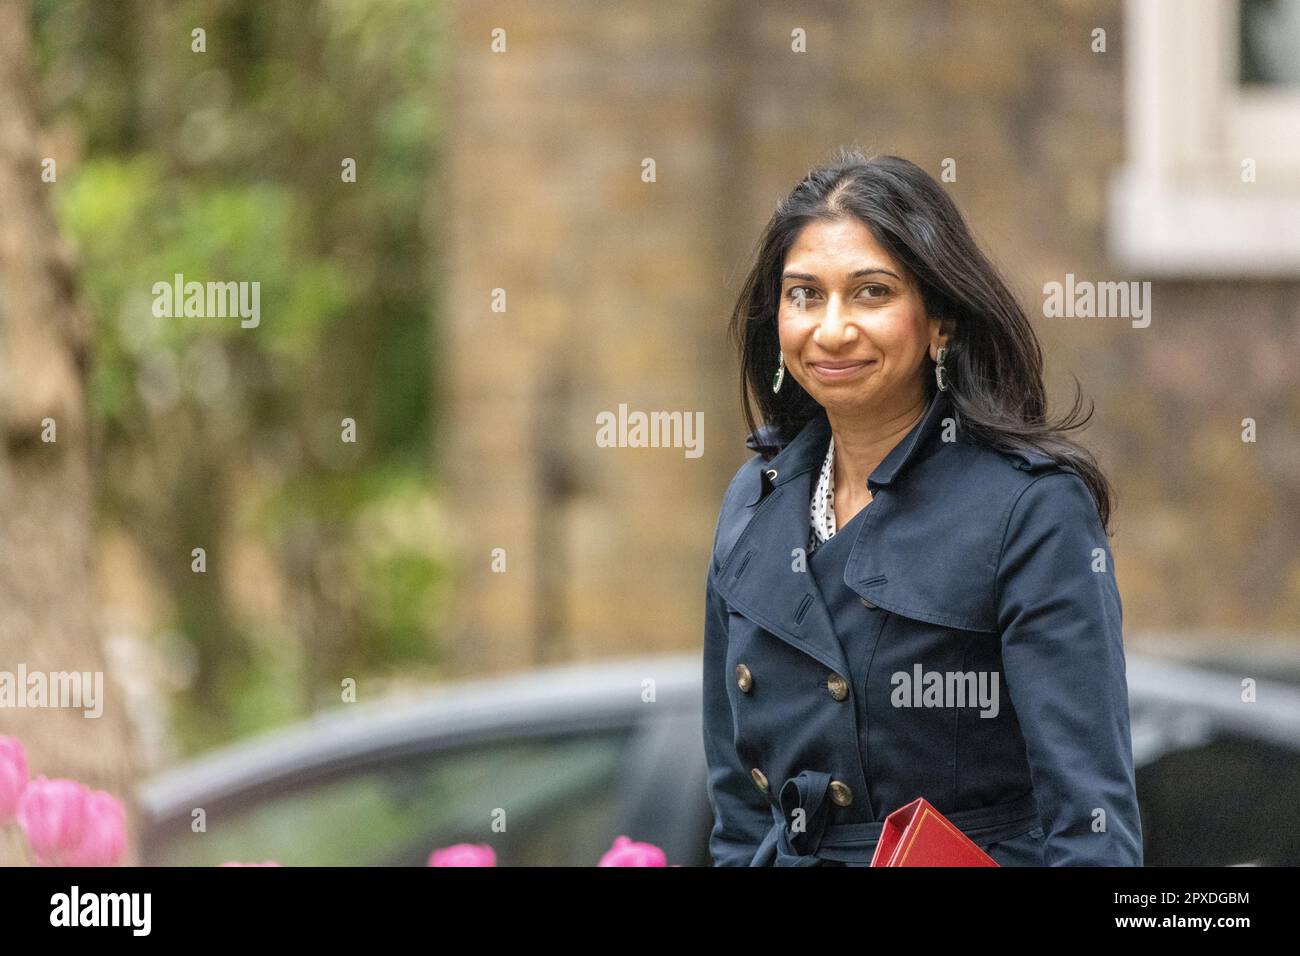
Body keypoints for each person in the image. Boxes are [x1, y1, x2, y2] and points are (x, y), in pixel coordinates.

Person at [702, 150, 1143, 866]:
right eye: (804, 294)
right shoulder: (754, 500)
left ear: (940, 321)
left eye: (871, 293)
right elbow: (737, 810)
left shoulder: (1029, 508)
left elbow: (1088, 816)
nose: (833, 328)